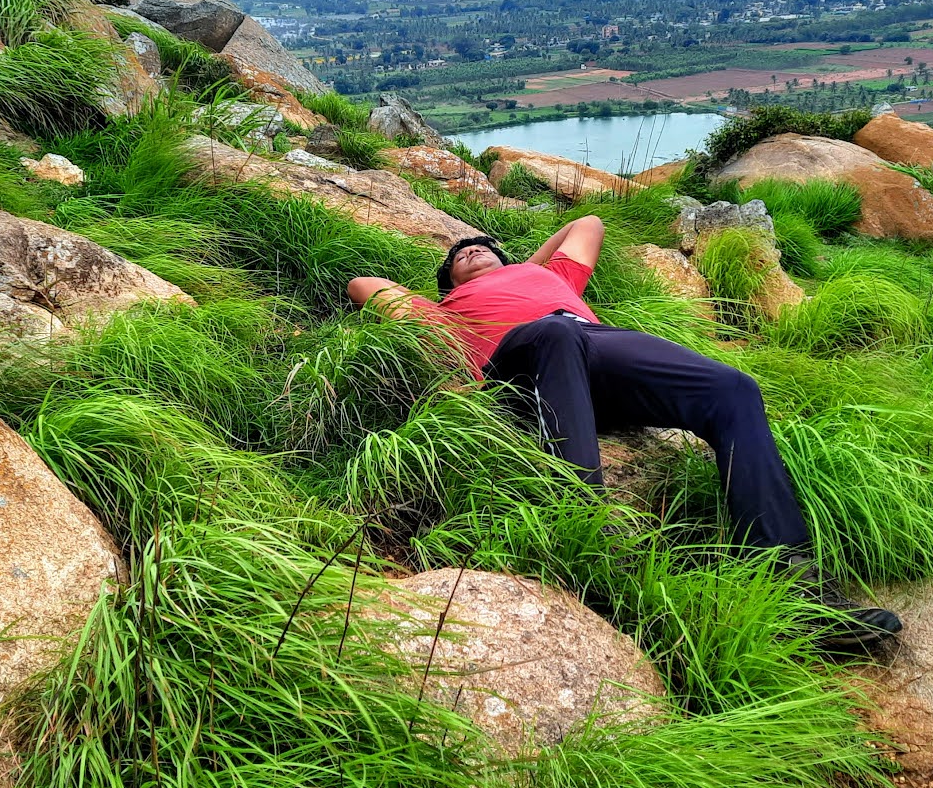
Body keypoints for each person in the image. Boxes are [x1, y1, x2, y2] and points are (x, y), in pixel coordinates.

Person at [347, 216, 901, 645]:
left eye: (480, 246)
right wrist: (460, 287)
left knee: (735, 390)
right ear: (446, 282)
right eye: (458, 257)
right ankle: (585, 533)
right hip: (520, 364)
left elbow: (588, 225)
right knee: (551, 335)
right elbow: (362, 283)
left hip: (595, 344)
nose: (468, 250)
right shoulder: (440, 307)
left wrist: (520, 267)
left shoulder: (552, 275)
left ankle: (799, 593)